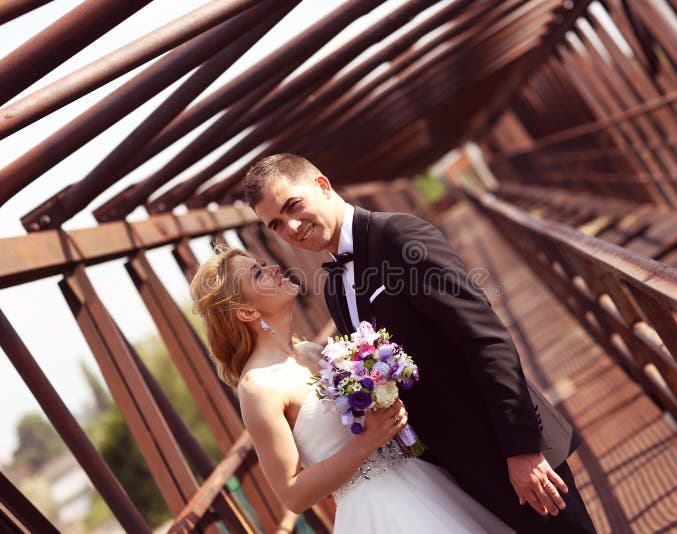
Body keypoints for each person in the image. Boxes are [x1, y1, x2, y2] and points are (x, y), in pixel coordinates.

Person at [242, 154, 596, 533]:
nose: (292, 227)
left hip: (508, 451)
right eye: (275, 225)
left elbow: (485, 338)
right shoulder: (334, 289)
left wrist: (522, 449)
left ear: (323, 186)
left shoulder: (398, 237)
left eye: (293, 206)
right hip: (452, 476)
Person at [190, 246, 514, 532]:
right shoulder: (258, 386)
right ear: (246, 312)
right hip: (376, 510)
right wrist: (367, 442)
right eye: (258, 273)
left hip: (420, 480)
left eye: (262, 261)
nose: (273, 268)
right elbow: (293, 494)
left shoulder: (312, 352)